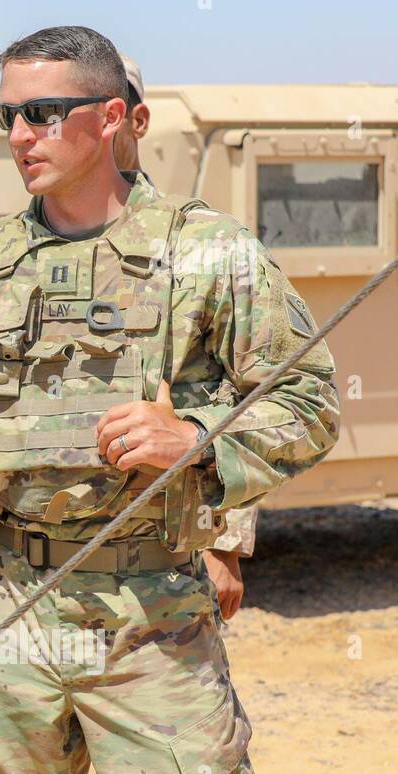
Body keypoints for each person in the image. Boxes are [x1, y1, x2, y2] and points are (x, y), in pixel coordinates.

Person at [0, 26, 340, 774]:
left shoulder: (209, 253)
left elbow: (310, 401)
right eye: (9, 117)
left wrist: (194, 437)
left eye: (46, 113)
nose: (21, 136)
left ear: (114, 118)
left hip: (149, 619)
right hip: (7, 610)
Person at [115, 51, 252, 621]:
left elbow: (252, 393)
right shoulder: (24, 253)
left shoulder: (197, 246)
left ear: (135, 121)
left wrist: (224, 541)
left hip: (172, 553)